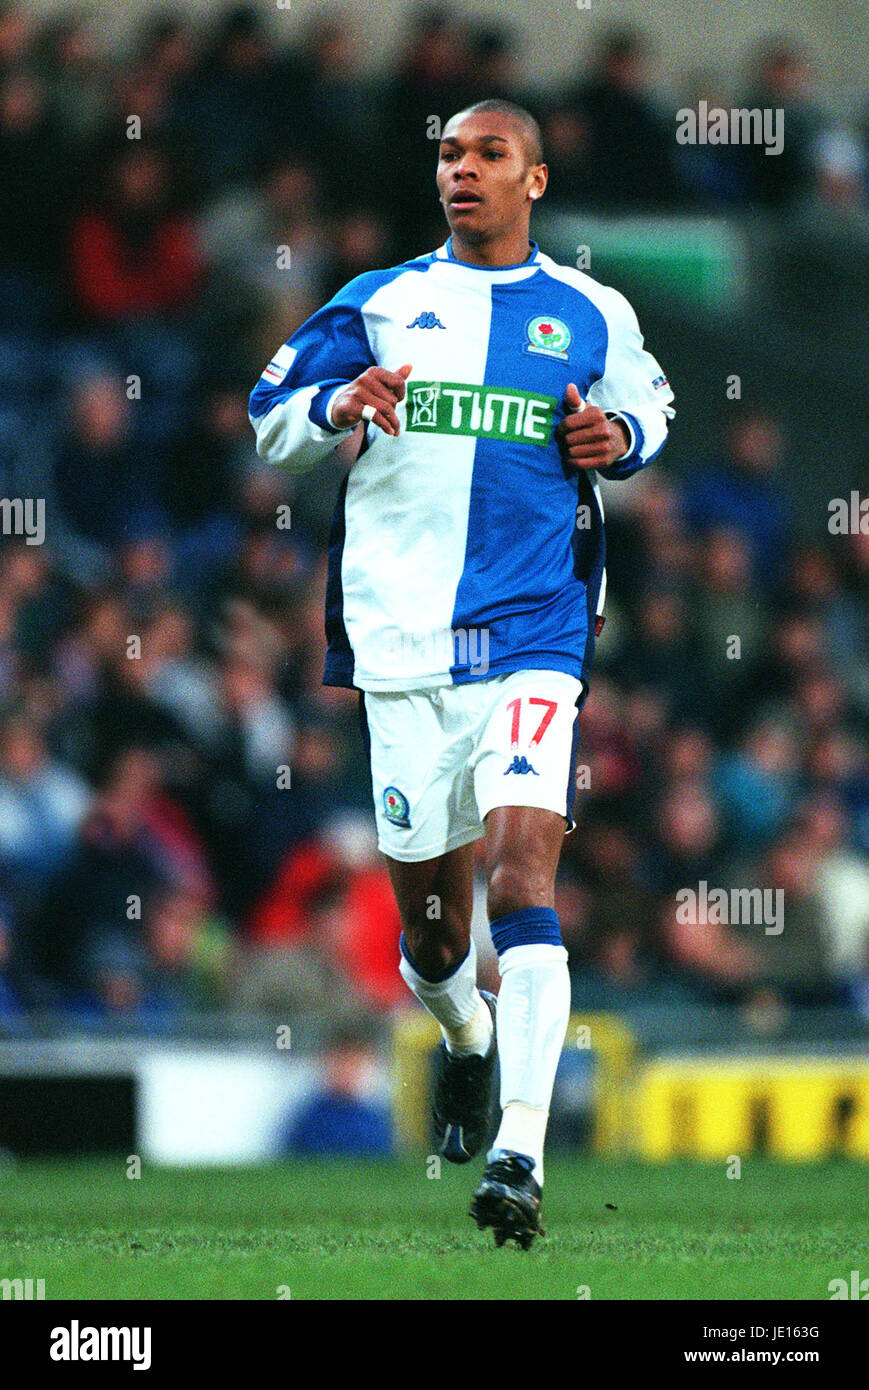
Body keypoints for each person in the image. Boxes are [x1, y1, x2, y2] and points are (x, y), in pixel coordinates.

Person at [249, 99, 674, 1248]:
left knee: (523, 877)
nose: (461, 172)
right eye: (447, 154)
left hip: (534, 628)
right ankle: (464, 1040)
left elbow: (648, 406)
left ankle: (521, 1152)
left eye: (487, 155)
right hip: (400, 647)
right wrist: (336, 402)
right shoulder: (380, 302)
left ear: (532, 180)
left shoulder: (589, 311)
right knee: (436, 941)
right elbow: (267, 416)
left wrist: (618, 443)